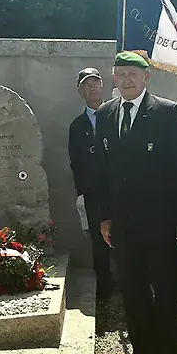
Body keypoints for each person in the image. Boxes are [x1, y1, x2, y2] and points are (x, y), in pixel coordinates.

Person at [95, 51, 177, 354]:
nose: (127, 79)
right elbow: (102, 172)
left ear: (147, 77)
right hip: (124, 223)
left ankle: (168, 353)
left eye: (134, 74)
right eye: (121, 74)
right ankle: (142, 350)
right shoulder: (105, 114)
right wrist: (105, 217)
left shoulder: (167, 112)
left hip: (162, 223)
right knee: (132, 290)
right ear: (113, 78)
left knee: (166, 289)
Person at [67, 67, 114, 300]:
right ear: (80, 91)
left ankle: (130, 286)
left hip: (120, 189)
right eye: (87, 84)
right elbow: (76, 162)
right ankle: (105, 288)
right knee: (99, 240)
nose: (92, 87)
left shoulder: (117, 114)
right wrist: (83, 192)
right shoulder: (77, 126)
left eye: (95, 82)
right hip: (94, 193)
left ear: (103, 85)